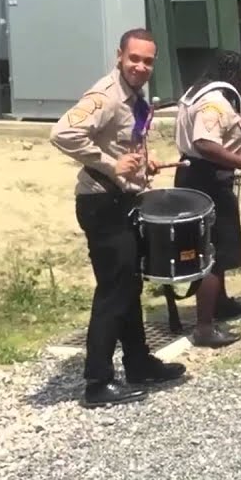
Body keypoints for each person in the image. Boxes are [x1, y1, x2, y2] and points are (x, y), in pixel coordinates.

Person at [50, 28, 186, 407]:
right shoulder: (106, 96)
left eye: (148, 61)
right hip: (101, 203)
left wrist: (142, 165)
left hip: (123, 199)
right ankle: (97, 382)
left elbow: (124, 145)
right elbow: (62, 133)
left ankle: (138, 362)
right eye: (134, 59)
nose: (141, 66)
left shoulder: (135, 99)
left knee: (129, 286)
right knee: (113, 290)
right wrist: (112, 165)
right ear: (119, 57)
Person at [172, 51, 241, 348]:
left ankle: (221, 303)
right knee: (211, 253)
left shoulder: (197, 92)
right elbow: (205, 143)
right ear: (236, 76)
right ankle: (204, 327)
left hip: (200, 176)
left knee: (220, 247)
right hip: (207, 181)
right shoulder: (214, 102)